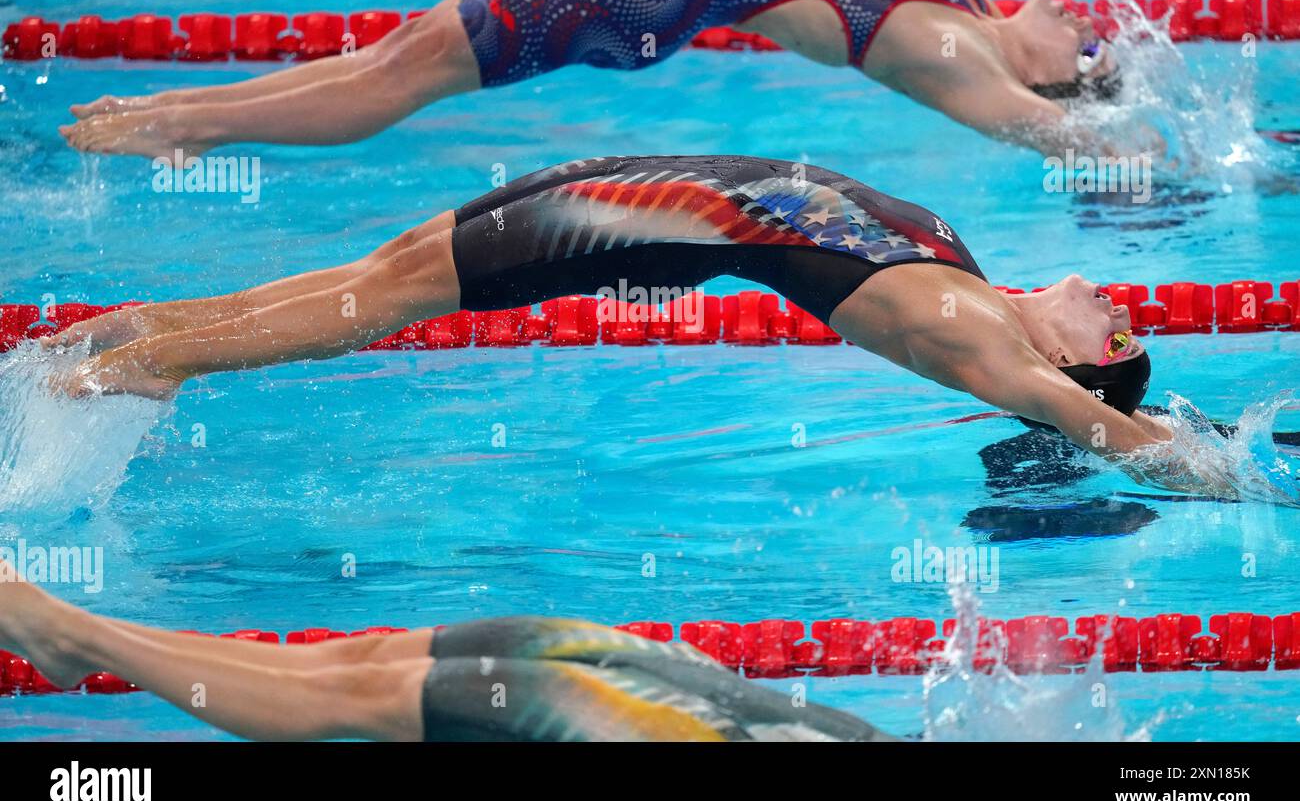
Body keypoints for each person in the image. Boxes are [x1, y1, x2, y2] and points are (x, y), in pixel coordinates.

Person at [45, 154, 1216, 495]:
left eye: (1118, 323)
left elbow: (1108, 434)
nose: (1114, 301)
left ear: (1084, 356)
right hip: (645, 184)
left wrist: (1224, 467)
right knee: (385, 266)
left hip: (623, 222)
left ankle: (140, 368)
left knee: (386, 293)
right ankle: (116, 342)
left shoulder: (995, 350)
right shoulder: (975, 284)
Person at [60, 0, 1121, 160]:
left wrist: (1146, 138)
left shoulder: (949, 55)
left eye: (1091, 53)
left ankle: (178, 120)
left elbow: (1049, 135)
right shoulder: (972, 4)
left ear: (1058, 78)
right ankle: (175, 115)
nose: (1089, 27)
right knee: (391, 60)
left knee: (398, 75)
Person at [0, 558, 891, 741]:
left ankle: (70, 629)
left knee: (363, 669)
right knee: (355, 695)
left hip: (693, 695)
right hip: (674, 729)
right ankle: (70, 635)